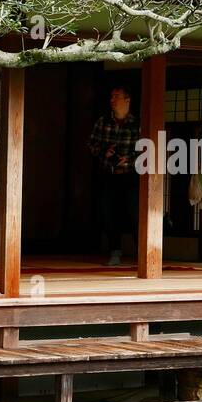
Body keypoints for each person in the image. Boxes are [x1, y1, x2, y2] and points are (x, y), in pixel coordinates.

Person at [88, 85, 139, 266]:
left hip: (131, 175)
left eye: (116, 96)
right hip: (108, 174)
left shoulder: (137, 123)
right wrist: (105, 151)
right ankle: (115, 251)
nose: (112, 100)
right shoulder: (103, 122)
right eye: (111, 96)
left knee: (135, 213)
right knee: (109, 214)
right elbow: (92, 144)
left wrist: (130, 159)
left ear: (127, 99)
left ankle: (143, 252)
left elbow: (148, 149)